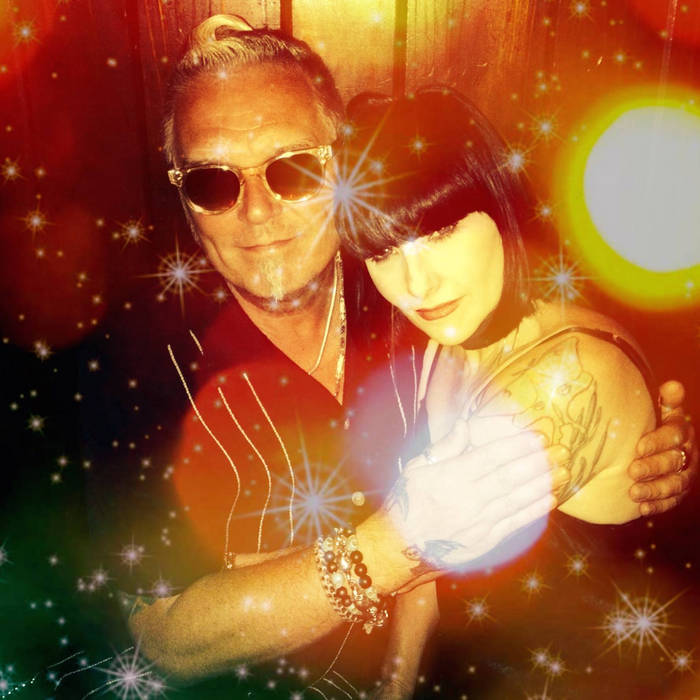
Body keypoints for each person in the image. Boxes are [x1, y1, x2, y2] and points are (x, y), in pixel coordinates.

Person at [127, 14, 697, 696]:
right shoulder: (142, 359)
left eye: (293, 168)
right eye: (213, 181)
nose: (417, 282)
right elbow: (163, 636)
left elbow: (437, 535)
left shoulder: (538, 364)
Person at [334, 86, 699, 698]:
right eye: (384, 250)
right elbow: (420, 580)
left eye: (440, 230)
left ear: (498, 207)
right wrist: (394, 687)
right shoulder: (441, 347)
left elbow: (404, 548)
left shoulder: (568, 376)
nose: (416, 282)